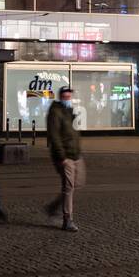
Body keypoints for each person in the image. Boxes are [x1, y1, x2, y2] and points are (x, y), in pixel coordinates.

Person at [45, 86, 83, 232]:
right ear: (61, 97)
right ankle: (67, 220)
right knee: (68, 187)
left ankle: (53, 207)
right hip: (65, 156)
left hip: (75, 154)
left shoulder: (69, 111)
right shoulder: (55, 112)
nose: (68, 99)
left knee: (77, 183)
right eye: (66, 97)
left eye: (70, 97)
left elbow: (72, 133)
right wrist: (61, 156)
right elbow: (54, 136)